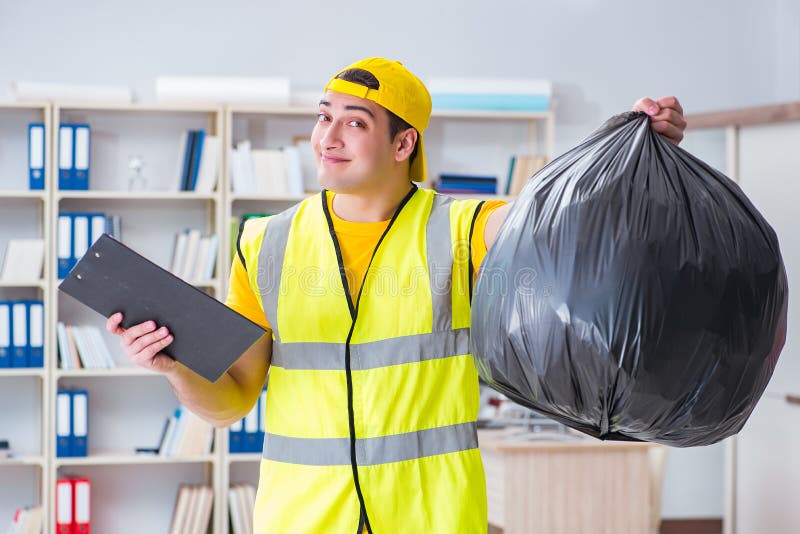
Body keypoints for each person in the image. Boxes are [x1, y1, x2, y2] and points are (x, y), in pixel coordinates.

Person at [107, 57, 687, 533]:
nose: (327, 138)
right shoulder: (265, 243)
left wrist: (631, 141)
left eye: (355, 123)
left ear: (403, 141)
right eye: (323, 117)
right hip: (302, 520)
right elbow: (231, 402)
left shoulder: (462, 228)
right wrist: (173, 368)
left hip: (429, 518)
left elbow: (564, 215)